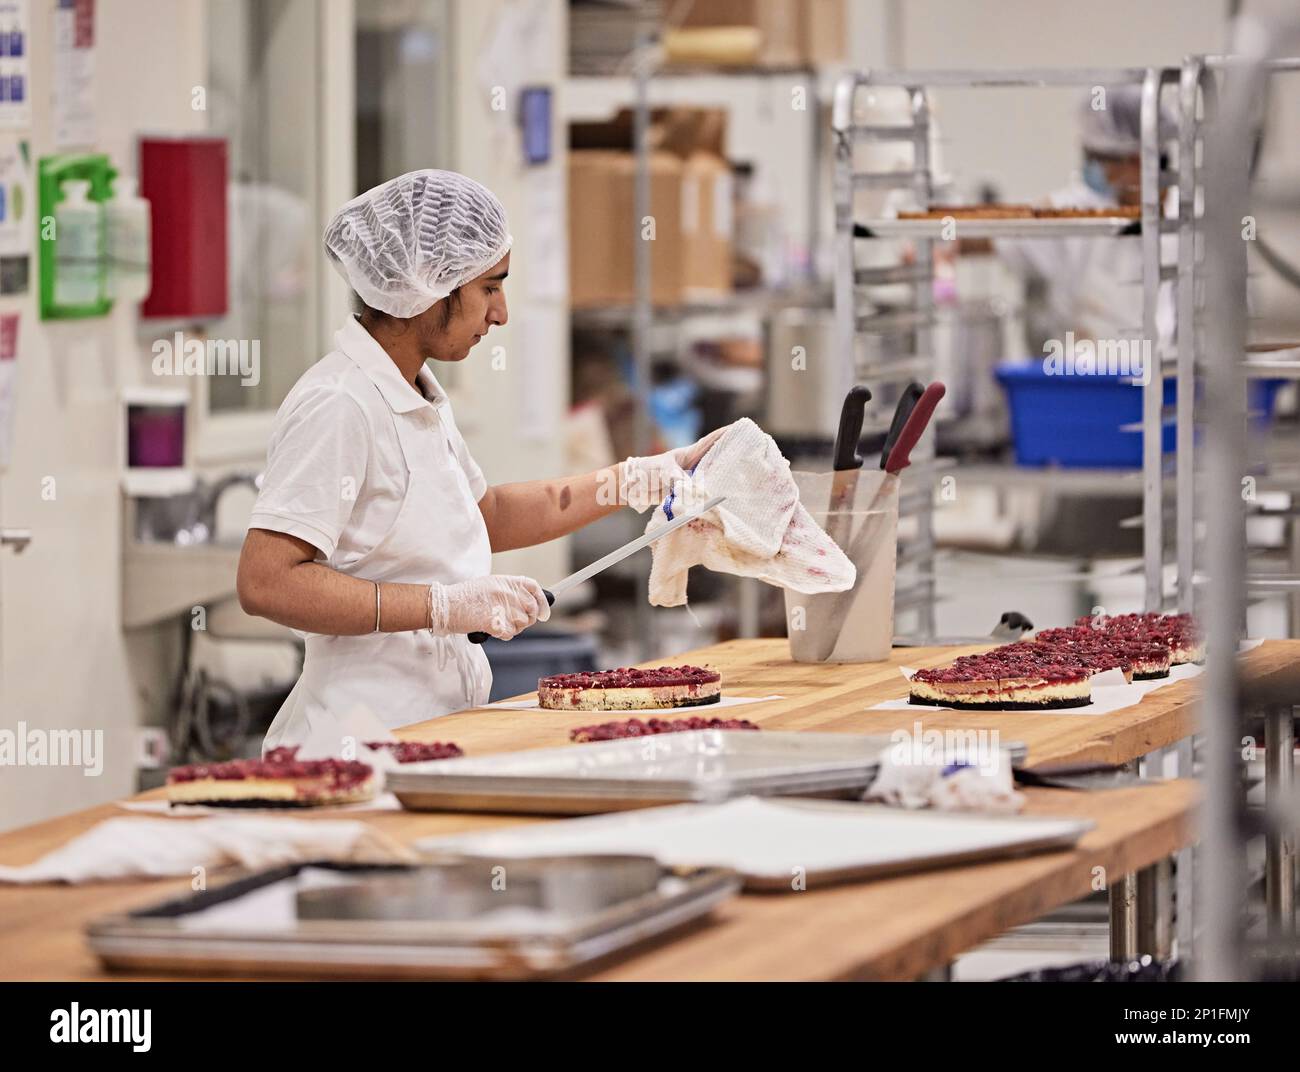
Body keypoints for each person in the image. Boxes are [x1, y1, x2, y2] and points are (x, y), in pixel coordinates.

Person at [237, 170, 723, 751]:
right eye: (490, 288)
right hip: (354, 741)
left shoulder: (413, 390)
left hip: (431, 728)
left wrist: (631, 479)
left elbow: (483, 513)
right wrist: (441, 605)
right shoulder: (340, 403)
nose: (502, 314)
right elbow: (266, 583)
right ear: (430, 286)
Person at [994, 84, 1176, 356]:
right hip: (1086, 385)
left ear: (1135, 162)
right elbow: (1004, 234)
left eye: (1096, 158)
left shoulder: (1195, 221)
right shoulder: (1083, 207)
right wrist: (944, 242)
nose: (1089, 168)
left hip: (1175, 388)